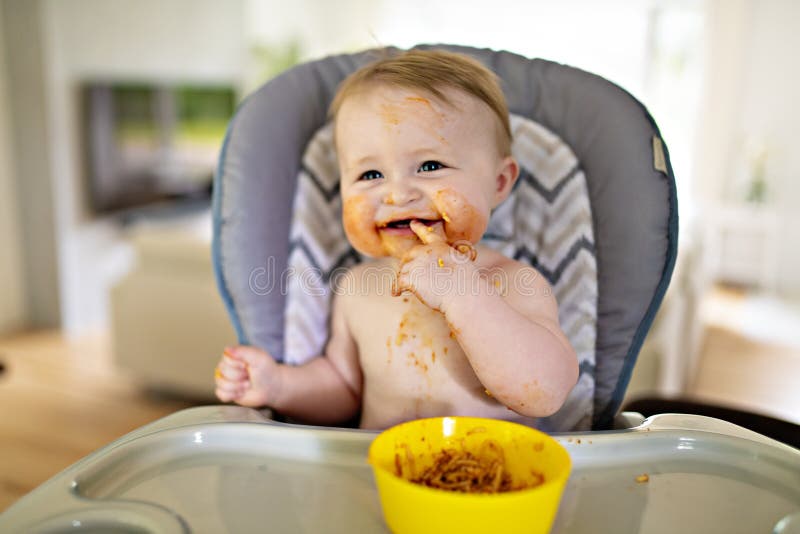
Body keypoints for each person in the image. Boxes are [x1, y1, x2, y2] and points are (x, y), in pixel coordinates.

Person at [214, 49, 578, 429]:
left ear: (499, 183)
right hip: (381, 480)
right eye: (370, 174)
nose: (397, 194)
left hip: (494, 479)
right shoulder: (358, 289)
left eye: (430, 166)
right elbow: (344, 390)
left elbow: (545, 393)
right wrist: (279, 386)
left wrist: (463, 294)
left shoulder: (512, 283)